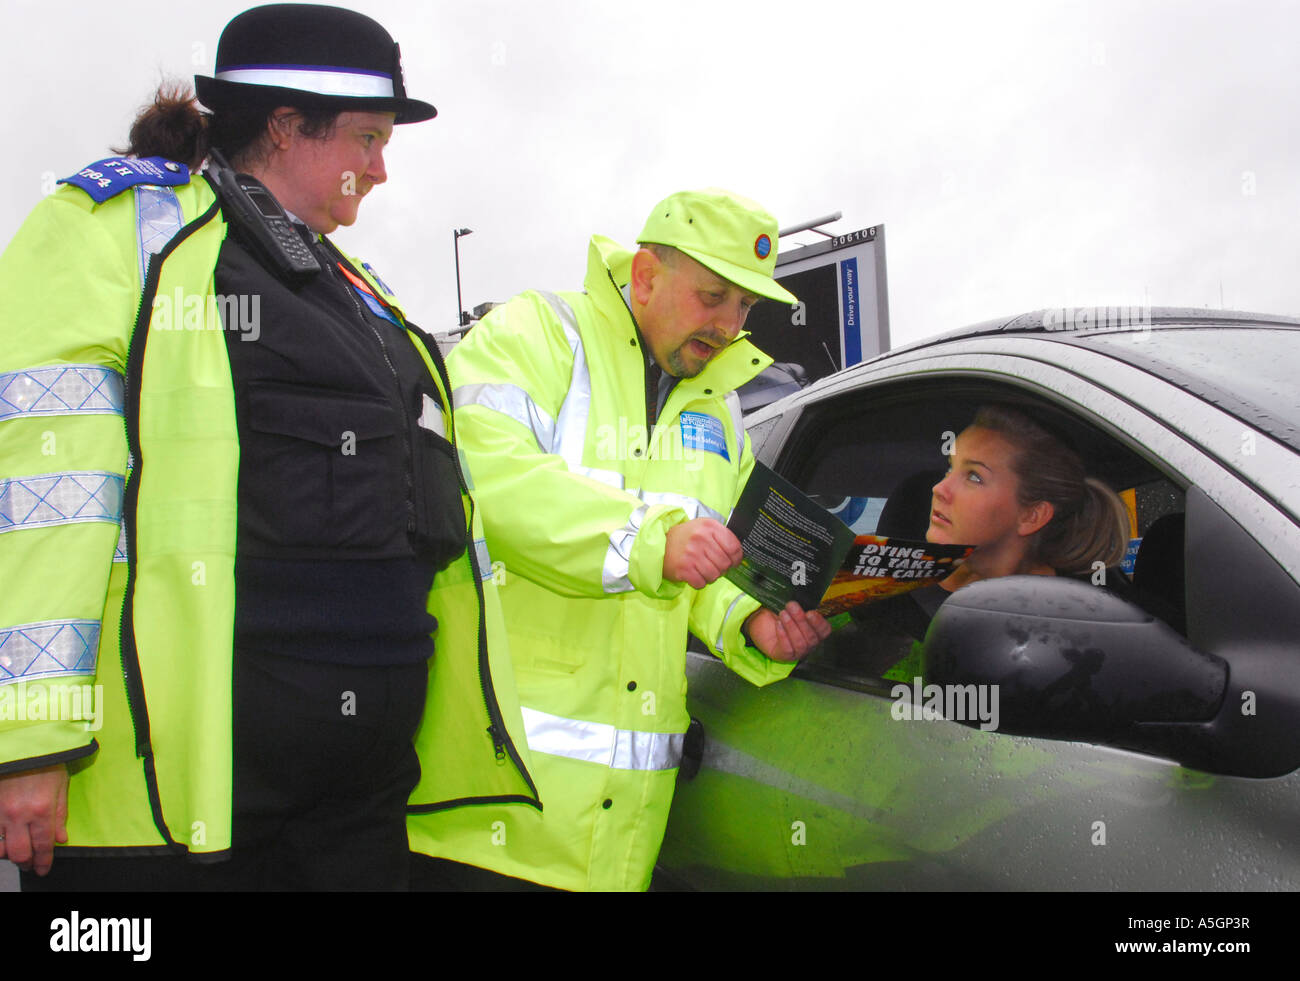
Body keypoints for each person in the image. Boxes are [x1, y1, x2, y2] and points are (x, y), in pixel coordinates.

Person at [0, 3, 536, 890]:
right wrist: (30, 735)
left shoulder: (360, 293)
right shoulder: (125, 230)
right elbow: (41, 479)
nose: (382, 169)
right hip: (188, 811)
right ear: (286, 126)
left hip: (359, 802)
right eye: (367, 139)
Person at [406, 188, 832, 892]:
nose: (729, 325)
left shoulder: (719, 412)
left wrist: (752, 623)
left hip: (621, 847)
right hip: (488, 825)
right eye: (713, 296)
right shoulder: (540, 333)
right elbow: (480, 470)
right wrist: (647, 540)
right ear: (644, 275)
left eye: (745, 307)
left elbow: (712, 562)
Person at [844, 402, 1131, 669]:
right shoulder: (863, 592)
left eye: (974, 477)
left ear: (1031, 515)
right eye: (950, 469)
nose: (938, 489)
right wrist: (800, 647)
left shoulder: (1082, 626)